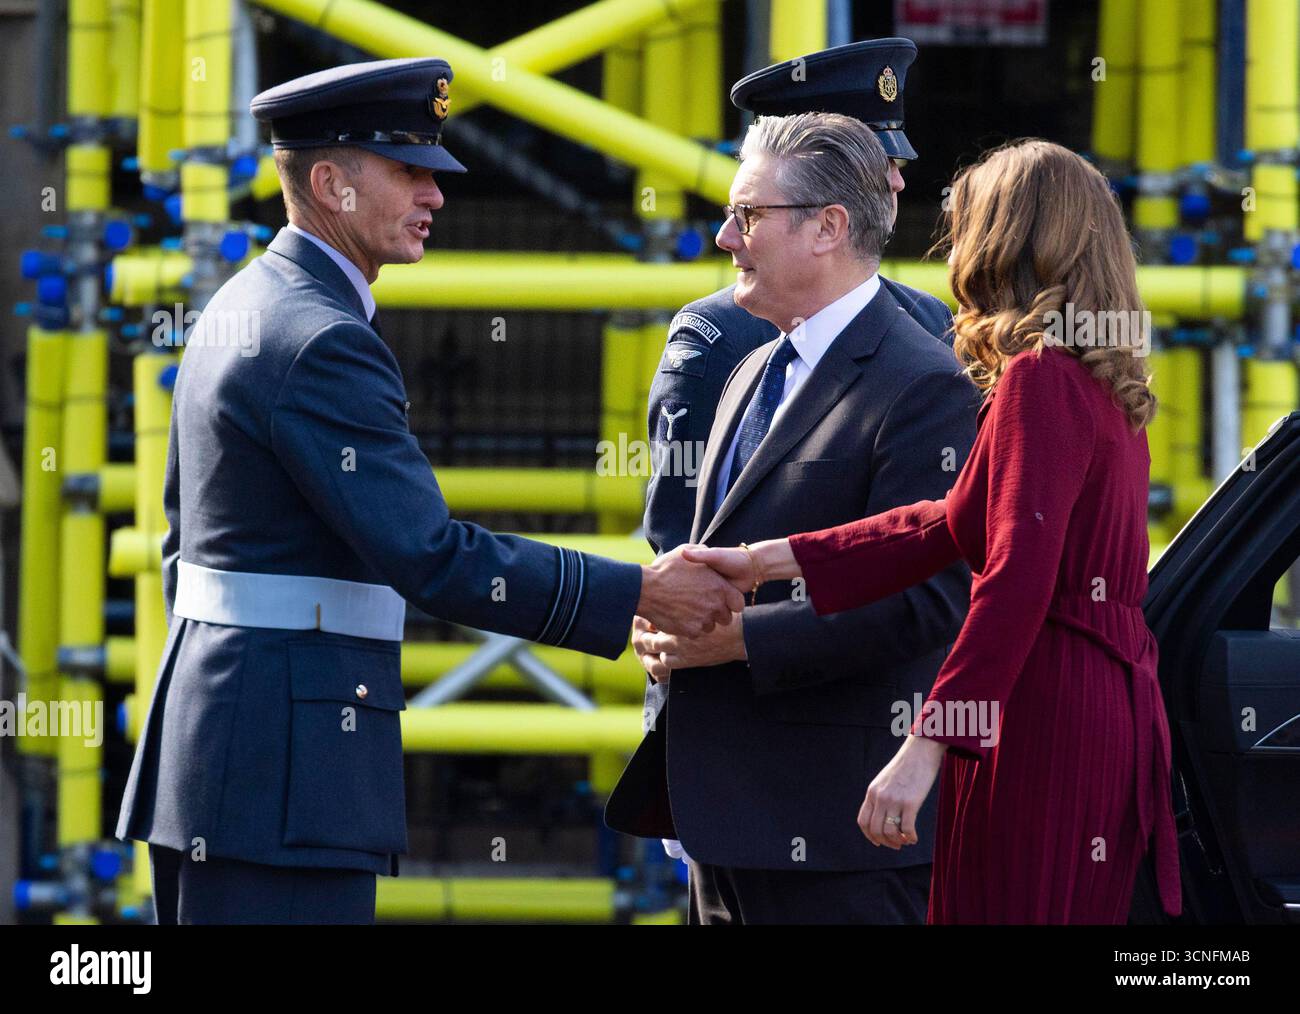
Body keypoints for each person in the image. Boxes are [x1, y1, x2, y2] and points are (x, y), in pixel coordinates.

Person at [114, 58, 742, 925]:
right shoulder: (322, 337)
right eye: (410, 172)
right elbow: (432, 555)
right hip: (288, 775)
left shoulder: (246, 303)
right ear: (331, 183)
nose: (435, 196)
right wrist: (639, 590)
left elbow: (184, 541)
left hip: (225, 752)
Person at [687, 140, 1183, 924]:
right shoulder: (1099, 381)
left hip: (1040, 711)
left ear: (1005, 236)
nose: (952, 240)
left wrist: (925, 748)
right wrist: (761, 562)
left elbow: (1015, 577)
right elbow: (943, 525)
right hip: (1095, 708)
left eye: (968, 220)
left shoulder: (1038, 379)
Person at [604, 111, 978, 924]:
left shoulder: (924, 384)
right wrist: (667, 616)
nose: (724, 239)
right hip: (725, 825)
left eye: (748, 215)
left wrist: (732, 639)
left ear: (828, 228)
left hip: (838, 835)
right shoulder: (750, 370)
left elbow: (926, 601)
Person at [643, 38, 953, 557]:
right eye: (875, 164)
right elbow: (681, 524)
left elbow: (915, 574)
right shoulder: (725, 336)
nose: (897, 181)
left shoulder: (926, 322)